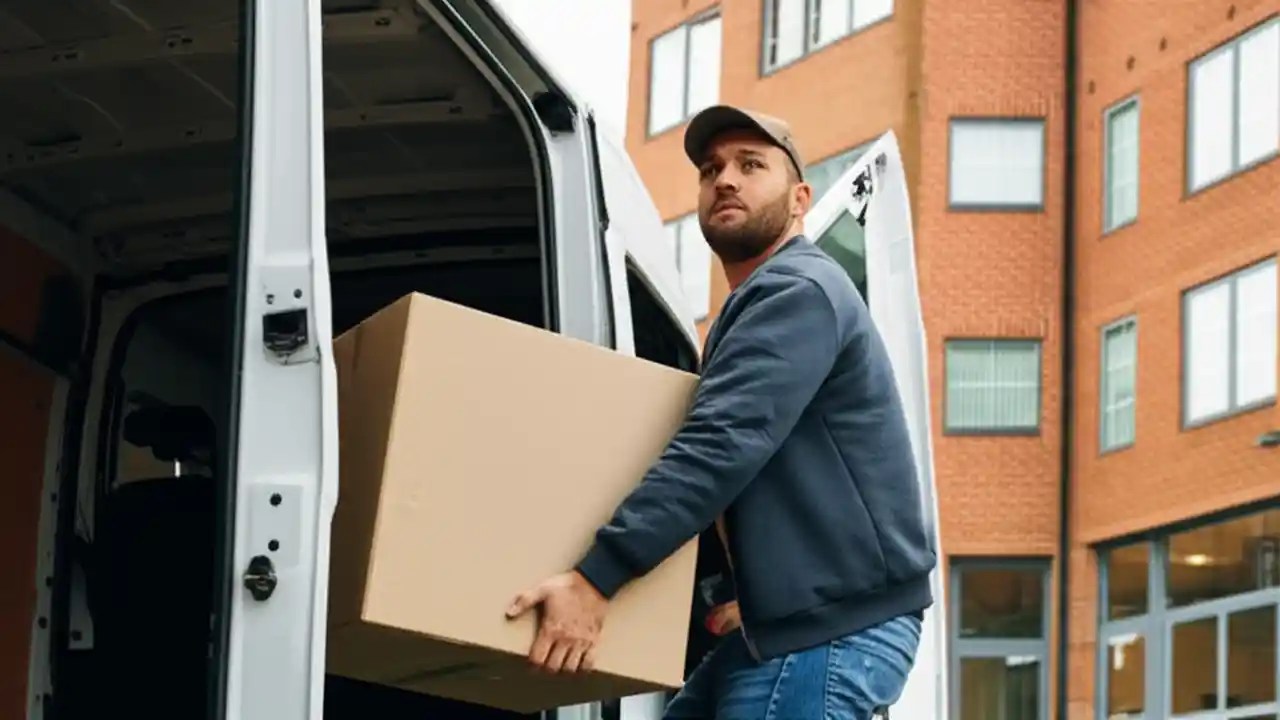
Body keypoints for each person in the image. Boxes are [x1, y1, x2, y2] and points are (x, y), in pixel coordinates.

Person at [506, 104, 936, 719]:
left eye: (751, 165)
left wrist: (596, 578)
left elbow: (721, 446)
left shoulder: (796, 291)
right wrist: (758, 594)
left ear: (799, 199)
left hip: (829, 635)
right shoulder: (762, 303)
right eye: (712, 170)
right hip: (788, 628)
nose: (725, 179)